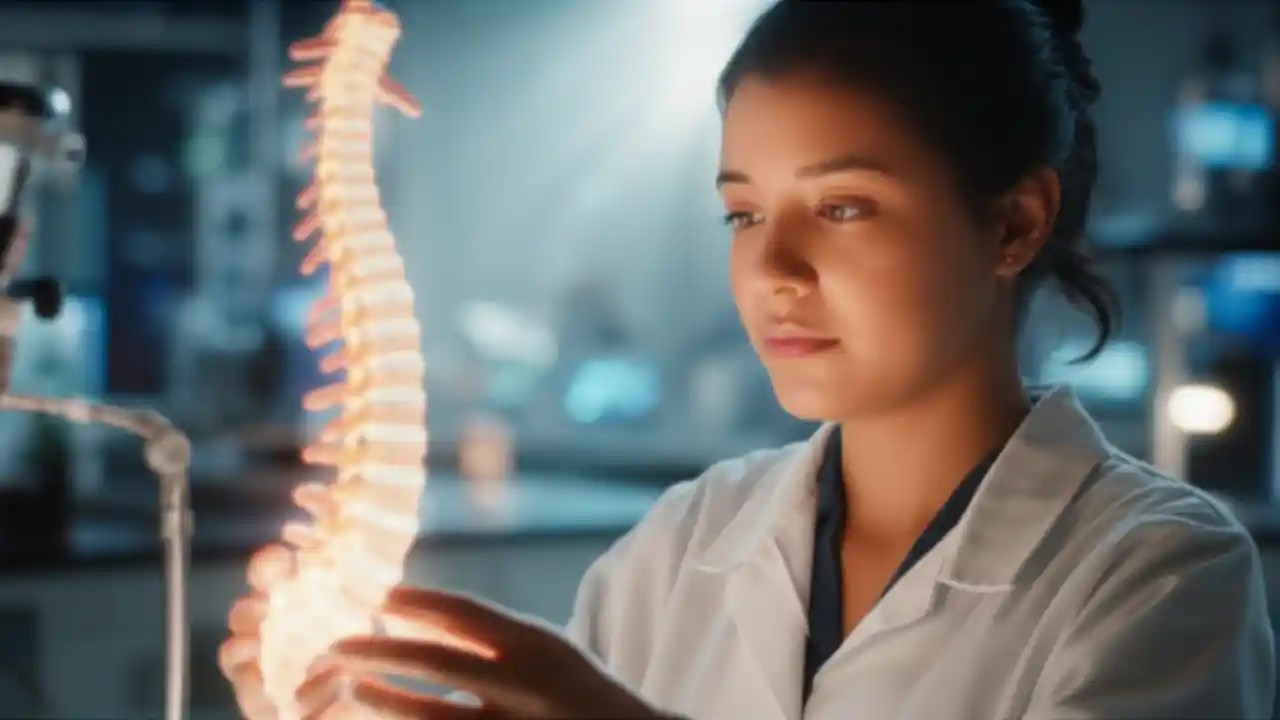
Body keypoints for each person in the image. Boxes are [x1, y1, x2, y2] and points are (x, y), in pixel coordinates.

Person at [220, 1, 1277, 717]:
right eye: (741, 213)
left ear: (1011, 223)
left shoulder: (1157, 575)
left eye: (842, 206)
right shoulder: (679, 549)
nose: (772, 268)